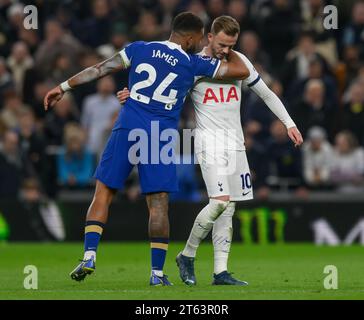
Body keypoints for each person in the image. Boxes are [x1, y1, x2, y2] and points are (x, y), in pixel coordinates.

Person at [43, 12, 249, 286]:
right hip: (158, 136)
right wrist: (227, 50)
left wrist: (63, 86)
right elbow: (241, 71)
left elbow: (100, 69)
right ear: (189, 38)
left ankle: (90, 254)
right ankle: (156, 274)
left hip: (127, 125)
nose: (201, 44)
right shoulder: (192, 63)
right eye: (199, 38)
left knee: (103, 192)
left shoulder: (139, 48)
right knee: (158, 205)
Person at [117, 16, 303, 286]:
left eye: (231, 45)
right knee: (219, 202)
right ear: (209, 37)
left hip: (236, 143)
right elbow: (164, 95)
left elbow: (267, 94)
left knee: (229, 209)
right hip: (208, 141)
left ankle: (220, 272)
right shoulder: (193, 66)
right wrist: (133, 95)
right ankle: (187, 255)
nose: (226, 50)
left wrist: (289, 124)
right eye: (222, 44)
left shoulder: (239, 63)